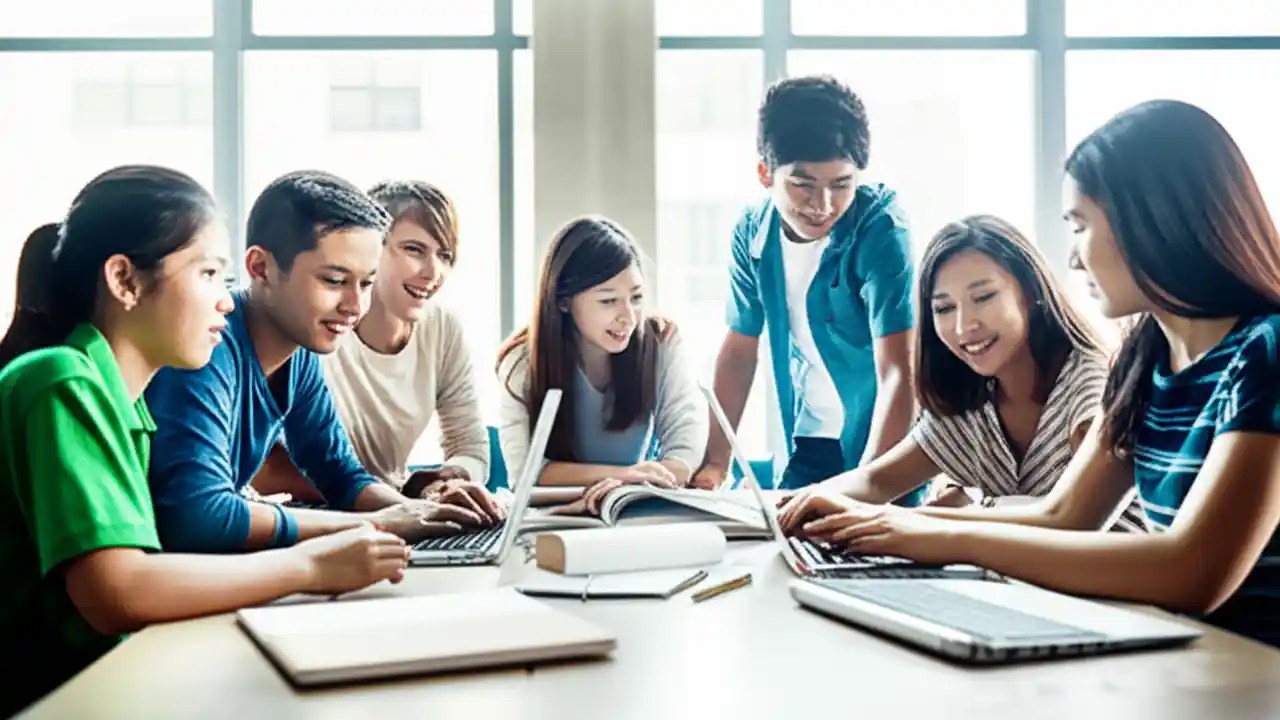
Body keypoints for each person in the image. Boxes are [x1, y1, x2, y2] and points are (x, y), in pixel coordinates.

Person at [778, 100, 1280, 647]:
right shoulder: (1146, 355)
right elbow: (1065, 516)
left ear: (1155, 219)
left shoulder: (1267, 351)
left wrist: (940, 535)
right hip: (1183, 656)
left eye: (1082, 225)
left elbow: (1192, 570)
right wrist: (885, 526)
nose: (1073, 259)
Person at [0, 166, 409, 716]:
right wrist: (312, 566)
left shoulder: (126, 405)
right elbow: (119, 591)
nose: (226, 301)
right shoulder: (62, 382)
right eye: (209, 275)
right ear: (125, 281)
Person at [146, 170, 500, 554]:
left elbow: (342, 476)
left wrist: (424, 513)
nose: (355, 306)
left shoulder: (299, 354)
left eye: (366, 284)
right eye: (334, 281)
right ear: (261, 268)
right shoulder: (208, 346)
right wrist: (376, 523)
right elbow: (199, 516)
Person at [790, 215, 1145, 530]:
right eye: (944, 308)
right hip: (1024, 590)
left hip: (1117, 592)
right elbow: (876, 482)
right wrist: (794, 504)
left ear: (1031, 290)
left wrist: (926, 519)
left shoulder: (1091, 384)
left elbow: (1071, 522)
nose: (964, 326)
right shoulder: (971, 396)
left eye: (984, 297)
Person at [693, 74, 920, 498]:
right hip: (807, 440)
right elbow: (740, 350)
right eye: (803, 185)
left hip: (882, 446)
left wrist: (871, 487)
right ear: (765, 173)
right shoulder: (752, 234)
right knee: (785, 550)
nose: (823, 206)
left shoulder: (882, 231)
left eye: (841, 184)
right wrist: (715, 463)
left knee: (876, 556)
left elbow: (899, 371)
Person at [253, 180, 493, 513]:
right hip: (324, 509)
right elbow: (271, 468)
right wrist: (383, 500)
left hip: (386, 506)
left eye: (445, 255)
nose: (433, 272)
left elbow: (470, 447)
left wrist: (442, 487)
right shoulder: (313, 328)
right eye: (414, 249)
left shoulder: (443, 329)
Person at [496, 216, 707, 514]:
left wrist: (642, 481)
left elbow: (685, 447)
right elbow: (525, 473)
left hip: (632, 512)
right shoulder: (521, 361)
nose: (629, 317)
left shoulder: (661, 343)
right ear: (563, 301)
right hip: (554, 519)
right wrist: (625, 476)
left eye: (635, 297)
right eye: (608, 301)